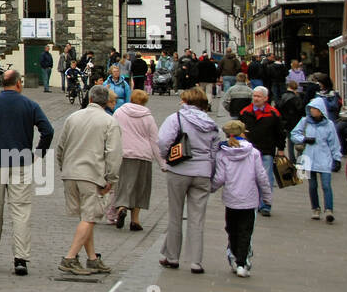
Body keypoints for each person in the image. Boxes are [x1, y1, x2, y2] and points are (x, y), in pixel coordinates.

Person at [0, 69, 53, 276]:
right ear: (18, 84)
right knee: (21, 210)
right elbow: (48, 130)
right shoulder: (30, 105)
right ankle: (21, 258)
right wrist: (39, 153)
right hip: (21, 163)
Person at [56, 85, 122, 274]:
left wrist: (64, 167)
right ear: (106, 102)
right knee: (90, 217)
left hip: (70, 173)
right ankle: (70, 258)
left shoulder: (72, 117)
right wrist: (111, 178)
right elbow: (114, 153)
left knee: (86, 217)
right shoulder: (109, 122)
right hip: (92, 174)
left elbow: (61, 146)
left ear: (90, 99)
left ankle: (92, 258)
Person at [157, 88, 220, 272]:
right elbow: (215, 152)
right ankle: (196, 261)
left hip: (179, 169)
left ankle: (172, 257)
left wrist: (167, 156)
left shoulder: (176, 118)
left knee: (175, 215)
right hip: (203, 172)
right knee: (197, 218)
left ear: (186, 101)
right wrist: (211, 173)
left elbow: (162, 141)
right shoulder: (211, 123)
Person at [212, 119, 272, 277]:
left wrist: (210, 189)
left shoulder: (223, 153)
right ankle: (242, 263)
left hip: (231, 199)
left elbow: (219, 178)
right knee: (246, 231)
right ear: (243, 133)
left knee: (232, 229)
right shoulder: (253, 153)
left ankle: (234, 256)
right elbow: (262, 177)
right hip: (249, 199)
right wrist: (267, 197)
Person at [109, 89, 161, 231]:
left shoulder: (119, 112)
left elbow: (112, 131)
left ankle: (122, 207)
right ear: (145, 101)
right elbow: (155, 140)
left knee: (123, 183)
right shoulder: (148, 117)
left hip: (123, 153)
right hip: (143, 155)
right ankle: (135, 220)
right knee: (140, 187)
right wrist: (162, 162)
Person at [236, 87, 285, 215]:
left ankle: (265, 205)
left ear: (265, 98)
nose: (256, 98)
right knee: (249, 178)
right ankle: (252, 202)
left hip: (266, 150)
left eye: (258, 96)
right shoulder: (245, 112)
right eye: (254, 96)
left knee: (266, 178)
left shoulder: (273, 113)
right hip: (249, 150)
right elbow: (238, 130)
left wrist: (281, 149)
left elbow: (280, 132)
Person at [292, 98, 341, 223]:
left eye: (315, 109)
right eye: (311, 109)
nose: (312, 111)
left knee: (326, 185)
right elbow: (294, 134)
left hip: (324, 157)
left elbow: (334, 142)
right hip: (308, 157)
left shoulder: (328, 124)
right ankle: (315, 208)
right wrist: (304, 139)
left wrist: (337, 157)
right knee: (312, 186)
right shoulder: (305, 121)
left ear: (321, 111)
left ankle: (329, 210)